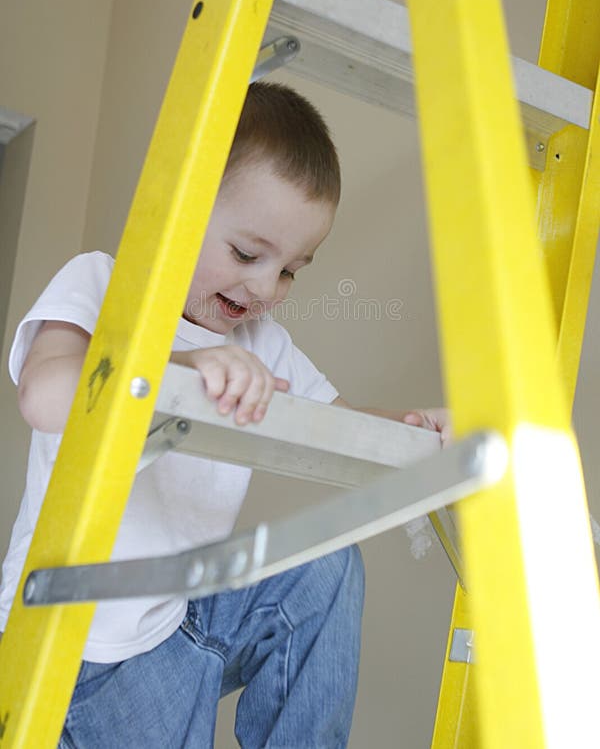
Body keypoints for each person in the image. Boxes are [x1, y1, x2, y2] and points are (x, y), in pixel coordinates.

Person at [0, 82, 448, 748]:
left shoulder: (262, 344)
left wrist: (420, 427)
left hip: (178, 620)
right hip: (76, 645)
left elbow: (344, 432)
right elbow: (44, 394)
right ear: (178, 205)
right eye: (246, 254)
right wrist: (181, 370)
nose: (266, 288)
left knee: (325, 572)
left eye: (291, 270)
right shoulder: (103, 285)